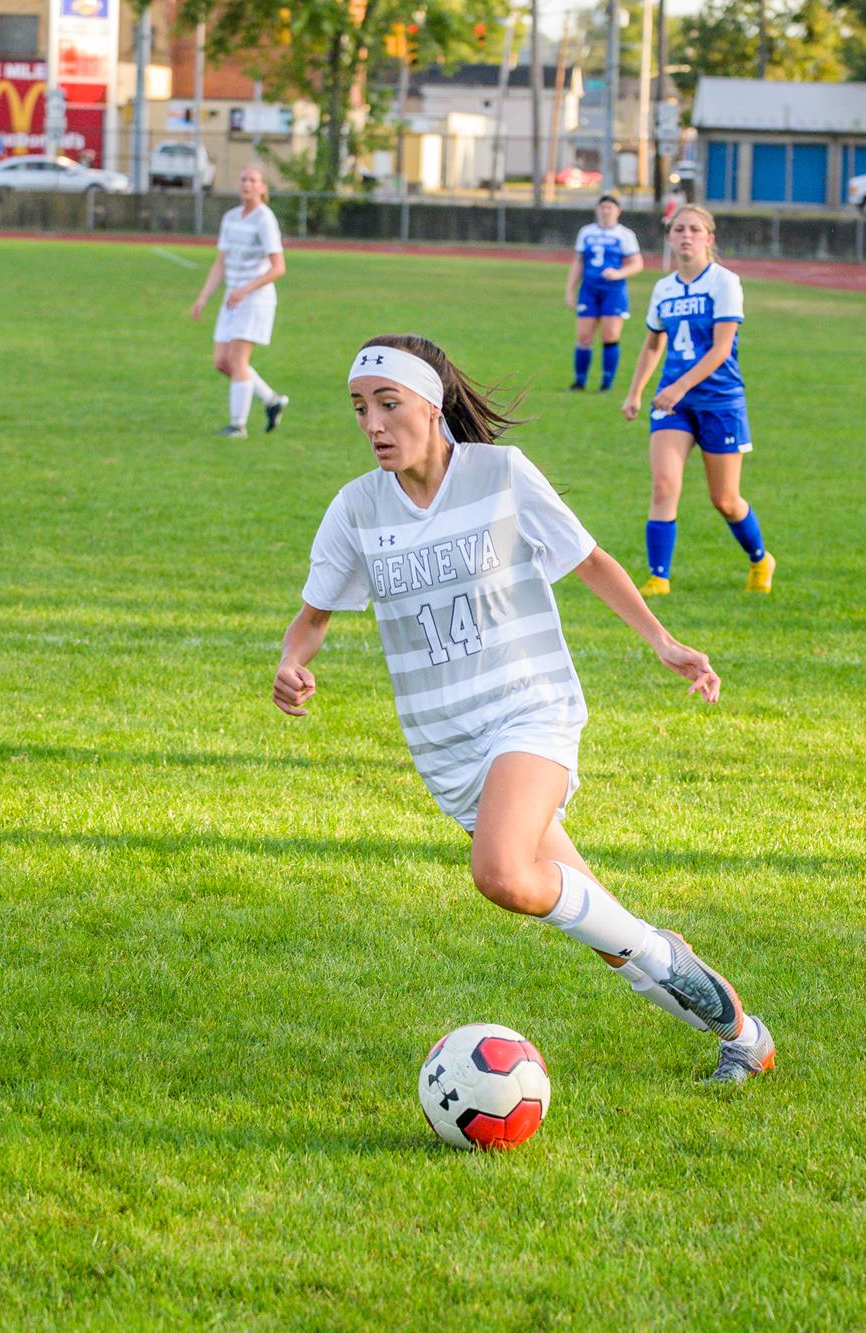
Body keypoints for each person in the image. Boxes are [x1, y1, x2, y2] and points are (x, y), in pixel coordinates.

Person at [276, 334, 776, 1085]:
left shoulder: (500, 475)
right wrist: (291, 664)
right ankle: (742, 1031)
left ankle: (653, 947)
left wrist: (666, 643)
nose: (372, 423)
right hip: (447, 750)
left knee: (504, 872)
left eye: (388, 404)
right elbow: (312, 619)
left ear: (433, 402)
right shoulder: (356, 509)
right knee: (612, 939)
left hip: (529, 711)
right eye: (359, 408)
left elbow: (589, 560)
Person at [620, 206, 773, 597]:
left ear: (709, 238)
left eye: (694, 229)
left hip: (720, 401)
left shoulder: (724, 282)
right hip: (674, 403)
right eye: (678, 229)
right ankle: (659, 578)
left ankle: (760, 559)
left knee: (724, 499)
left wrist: (678, 387)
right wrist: (636, 391)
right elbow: (654, 343)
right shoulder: (663, 288)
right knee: (663, 485)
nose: (686, 235)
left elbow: (722, 350)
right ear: (669, 238)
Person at [190, 164, 290, 439]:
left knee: (237, 360)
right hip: (231, 299)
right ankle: (271, 400)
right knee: (222, 362)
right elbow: (220, 263)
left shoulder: (264, 219)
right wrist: (203, 298)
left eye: (253, 180)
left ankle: (238, 425)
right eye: (243, 179)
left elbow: (278, 267)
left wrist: (245, 289)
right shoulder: (231, 217)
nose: (247, 184)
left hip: (255, 299)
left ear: (262, 188)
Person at [566, 195, 645, 392]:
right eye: (602, 207)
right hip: (589, 290)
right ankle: (579, 381)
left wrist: (619, 273)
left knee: (610, 336)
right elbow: (578, 262)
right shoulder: (586, 232)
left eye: (610, 207)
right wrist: (570, 289)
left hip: (614, 291)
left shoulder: (625, 235)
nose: (605, 211)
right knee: (583, 336)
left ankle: (606, 383)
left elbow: (637, 264)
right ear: (597, 210)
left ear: (618, 211)